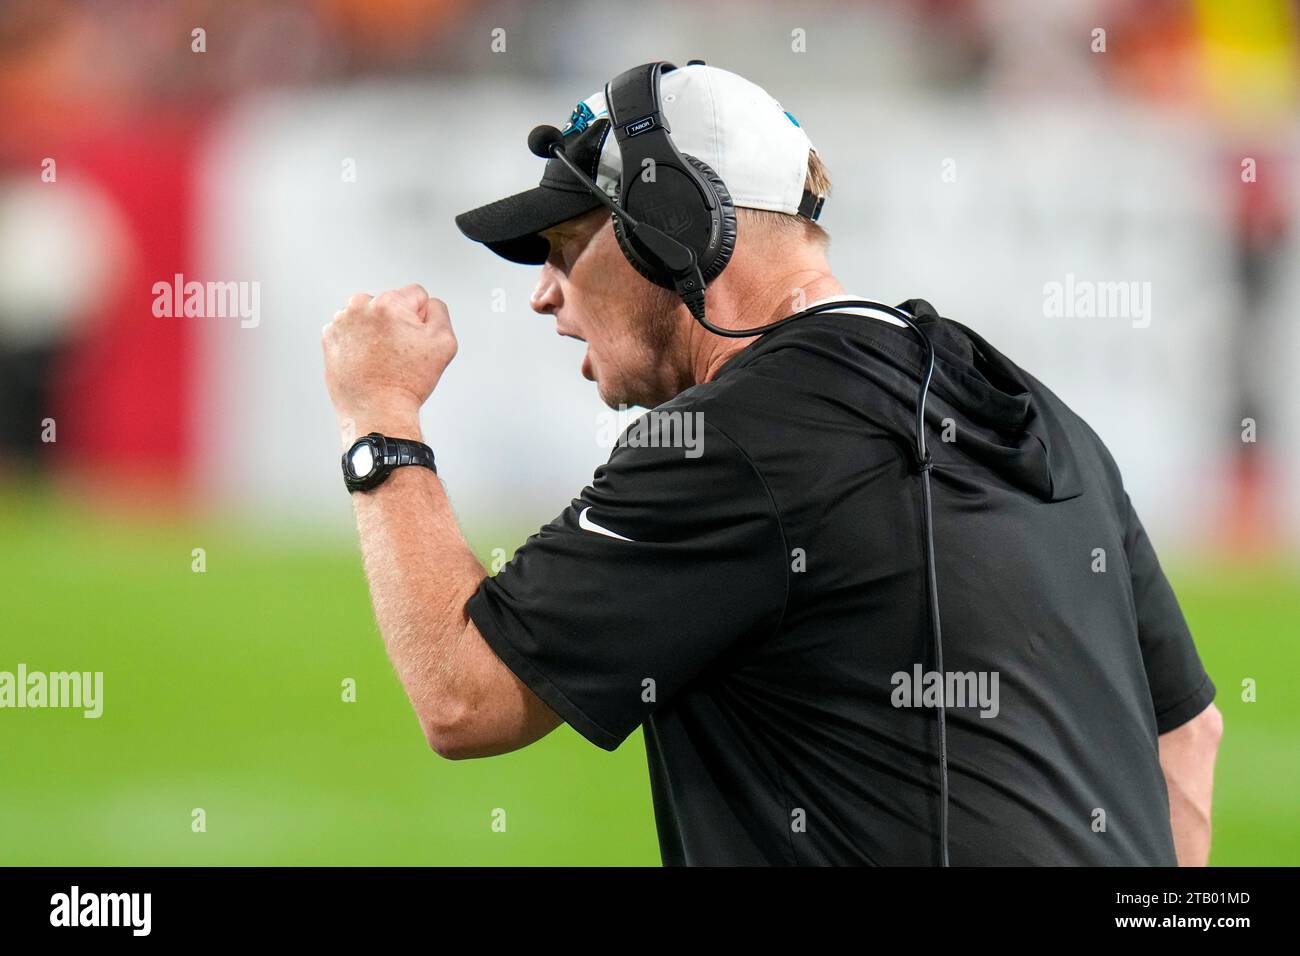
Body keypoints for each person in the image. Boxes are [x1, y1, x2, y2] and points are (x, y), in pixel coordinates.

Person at [321, 63, 1221, 865]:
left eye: (564, 248)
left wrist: (379, 414)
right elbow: (1188, 736)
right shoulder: (1037, 410)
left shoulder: (736, 440)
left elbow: (462, 697)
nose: (543, 293)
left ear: (671, 229)